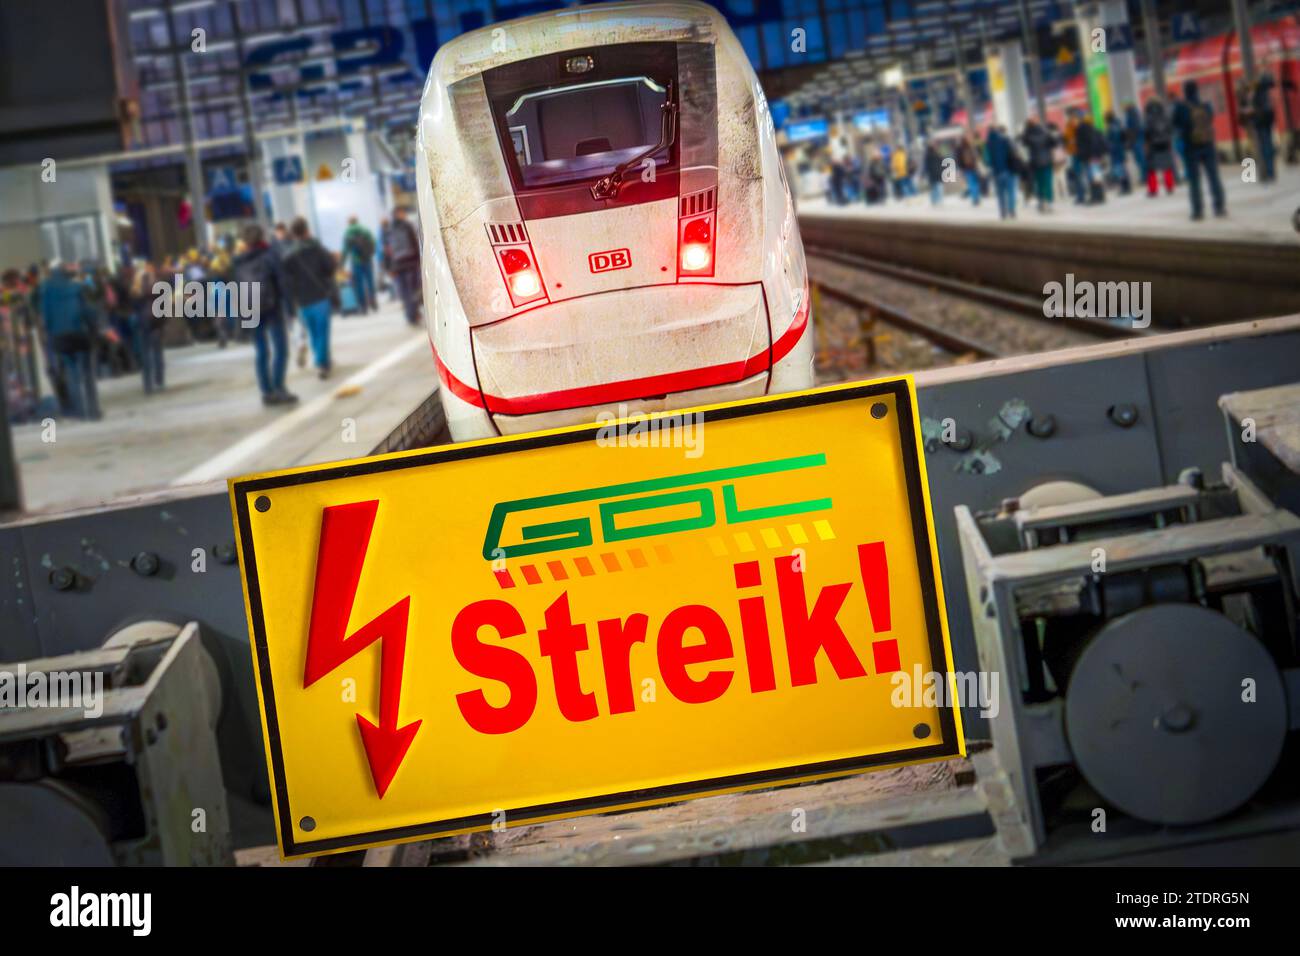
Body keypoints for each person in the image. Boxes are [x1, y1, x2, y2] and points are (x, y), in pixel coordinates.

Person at [234, 223, 297, 406]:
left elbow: (236, 290)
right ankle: (279, 388)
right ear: (262, 237)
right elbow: (283, 282)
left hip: (250, 310)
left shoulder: (239, 261)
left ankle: (267, 393)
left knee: (261, 351)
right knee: (281, 349)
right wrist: (290, 308)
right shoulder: (271, 255)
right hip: (272, 307)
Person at [39, 261, 101, 420]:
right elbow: (87, 310)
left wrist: (49, 334)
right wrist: (94, 329)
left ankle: (80, 412)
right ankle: (94, 410)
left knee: (71, 373)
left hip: (60, 336)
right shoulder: (77, 287)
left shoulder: (46, 290)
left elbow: (46, 316)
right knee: (88, 373)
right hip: (80, 332)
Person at [282, 217, 338, 379]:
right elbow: (330, 268)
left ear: (293, 234)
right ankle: (321, 363)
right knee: (322, 332)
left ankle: (322, 359)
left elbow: (287, 281)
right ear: (307, 230)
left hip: (302, 301)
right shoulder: (317, 248)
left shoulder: (288, 256)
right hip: (320, 296)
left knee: (313, 333)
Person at [1172, 79, 1226, 220]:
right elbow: (1210, 119)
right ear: (1197, 90)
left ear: (1185, 91)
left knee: (1195, 181)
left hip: (1191, 148)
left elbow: (1175, 123)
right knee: (1213, 177)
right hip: (1208, 145)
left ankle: (1198, 211)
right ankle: (1219, 207)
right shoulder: (1206, 105)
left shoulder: (1181, 107)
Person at [128, 261, 165, 394]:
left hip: (142, 323)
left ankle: (147, 384)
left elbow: (132, 307)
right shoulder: (157, 286)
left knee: (145, 354)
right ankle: (159, 379)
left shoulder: (135, 289)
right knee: (157, 352)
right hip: (155, 321)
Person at [384, 206, 423, 326]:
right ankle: (413, 314)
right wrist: (419, 260)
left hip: (397, 265)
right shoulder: (407, 226)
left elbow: (387, 251)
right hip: (410, 262)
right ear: (399, 214)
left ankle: (410, 314)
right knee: (413, 290)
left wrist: (389, 268)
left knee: (405, 292)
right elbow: (414, 244)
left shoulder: (388, 230)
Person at [1020, 117, 1058, 212]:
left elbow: (1023, 142)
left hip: (1036, 163)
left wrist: (1026, 129)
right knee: (1048, 182)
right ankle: (1049, 203)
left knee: (1039, 183)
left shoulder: (1028, 135)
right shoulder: (1045, 132)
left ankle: (1041, 202)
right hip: (1046, 162)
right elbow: (1055, 143)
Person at [342, 216, 378, 314]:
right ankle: (373, 301)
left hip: (356, 261)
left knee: (359, 285)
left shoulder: (348, 233)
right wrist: (370, 254)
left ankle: (363, 306)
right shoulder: (365, 230)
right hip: (367, 260)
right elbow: (373, 243)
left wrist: (341, 264)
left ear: (349, 223)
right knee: (370, 282)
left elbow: (345, 250)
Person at [1143, 98, 1177, 196]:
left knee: (1151, 169)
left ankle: (1153, 190)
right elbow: (1170, 129)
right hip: (1165, 143)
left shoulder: (1148, 118)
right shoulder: (1165, 116)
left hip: (1153, 145)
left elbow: (1146, 132)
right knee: (1167, 166)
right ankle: (1169, 187)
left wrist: (1146, 144)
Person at [983, 125, 1017, 219]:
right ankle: (1012, 211)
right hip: (1008, 170)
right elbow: (1013, 153)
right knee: (1011, 192)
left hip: (996, 173)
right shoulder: (1005, 139)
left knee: (1001, 194)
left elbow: (987, 160)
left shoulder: (988, 143)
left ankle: (1003, 212)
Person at [1251, 72, 1278, 183]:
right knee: (1269, 147)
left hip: (1260, 124)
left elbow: (1253, 110)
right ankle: (1271, 172)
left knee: (1264, 148)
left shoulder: (1256, 95)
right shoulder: (1267, 94)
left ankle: (1268, 172)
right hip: (1268, 123)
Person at [956, 134, 981, 206]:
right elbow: (976, 157)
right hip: (974, 167)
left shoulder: (960, 148)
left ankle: (974, 199)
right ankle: (976, 198)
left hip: (967, 169)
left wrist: (961, 169)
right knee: (976, 183)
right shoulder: (971, 147)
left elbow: (959, 160)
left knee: (971, 183)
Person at [1123, 101, 1146, 180]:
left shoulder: (1131, 115)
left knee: (1140, 159)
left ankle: (1144, 176)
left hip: (1136, 140)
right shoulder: (1135, 113)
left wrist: (1130, 140)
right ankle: (1144, 175)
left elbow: (1132, 129)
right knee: (1140, 159)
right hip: (1138, 139)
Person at [922, 139, 945, 205]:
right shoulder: (929, 155)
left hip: (938, 174)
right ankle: (935, 201)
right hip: (933, 174)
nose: (936, 147)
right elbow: (926, 166)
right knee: (935, 188)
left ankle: (938, 201)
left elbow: (942, 163)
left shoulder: (938, 154)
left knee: (938, 187)